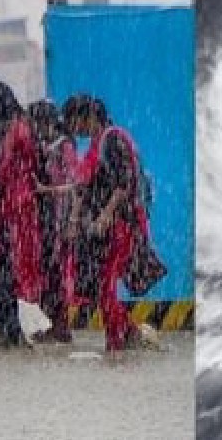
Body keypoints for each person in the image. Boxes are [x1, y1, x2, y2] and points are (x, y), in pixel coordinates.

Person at [57, 94, 158, 353]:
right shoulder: (97, 143)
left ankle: (116, 347)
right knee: (101, 285)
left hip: (122, 226)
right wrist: (73, 217)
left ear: (88, 117)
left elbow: (124, 183)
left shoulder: (112, 139)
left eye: (74, 121)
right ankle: (130, 335)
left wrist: (105, 214)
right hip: (108, 228)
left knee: (105, 286)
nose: (73, 128)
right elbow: (86, 186)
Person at [0, 82, 43, 348]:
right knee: (6, 273)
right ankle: (10, 333)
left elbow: (0, 171)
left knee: (3, 274)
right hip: (18, 207)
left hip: (10, 209)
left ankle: (10, 334)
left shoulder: (9, 130)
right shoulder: (21, 125)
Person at [26, 99, 79, 344]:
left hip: (60, 220)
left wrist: (46, 190)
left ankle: (60, 327)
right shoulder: (47, 146)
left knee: (54, 275)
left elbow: (74, 185)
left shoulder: (64, 147)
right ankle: (56, 325)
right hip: (47, 220)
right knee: (48, 274)